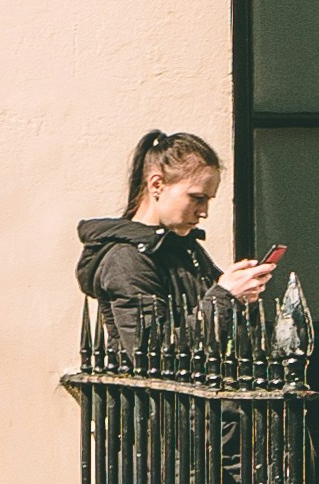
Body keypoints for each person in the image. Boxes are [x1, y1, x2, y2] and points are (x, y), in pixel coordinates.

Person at [77, 130, 284, 338]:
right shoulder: (126, 258)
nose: (204, 212)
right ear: (157, 184)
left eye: (208, 200)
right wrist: (226, 297)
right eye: (197, 198)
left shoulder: (184, 247)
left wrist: (243, 299)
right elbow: (150, 353)